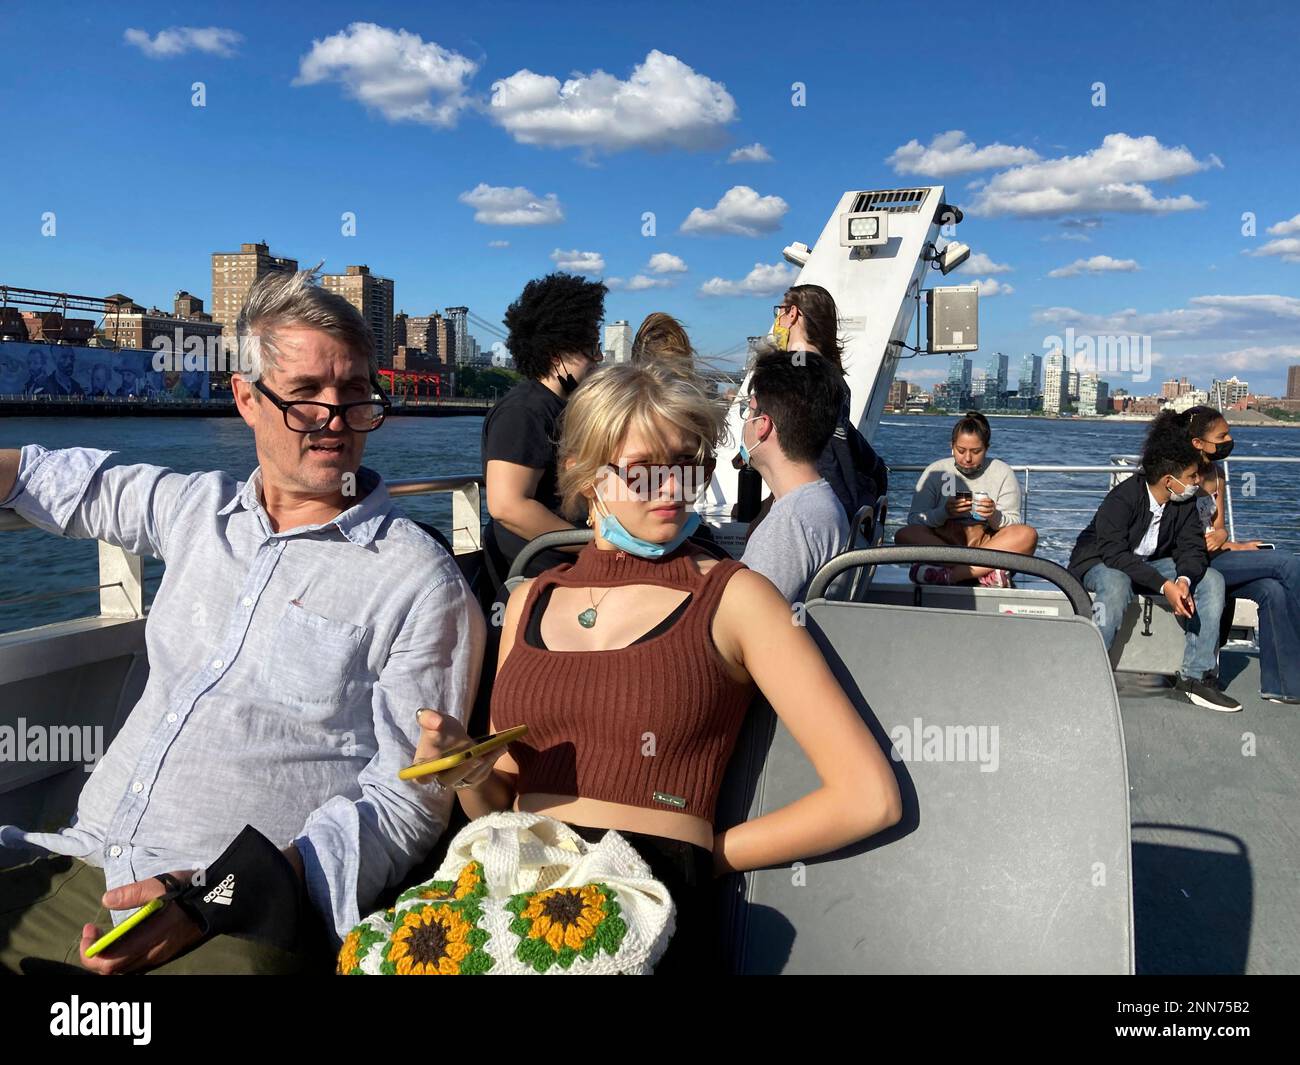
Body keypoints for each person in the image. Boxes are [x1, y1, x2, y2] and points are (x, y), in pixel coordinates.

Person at [0, 268, 485, 974]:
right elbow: (71, 481)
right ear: (247, 399)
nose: (336, 419)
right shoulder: (200, 511)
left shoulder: (418, 581)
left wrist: (215, 898)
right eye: (307, 395)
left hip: (226, 922)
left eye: (354, 393)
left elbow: (406, 806)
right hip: (80, 858)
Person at [413, 360, 902, 974]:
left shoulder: (734, 598)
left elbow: (867, 796)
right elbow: (499, 803)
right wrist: (467, 771)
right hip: (517, 886)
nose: (672, 491)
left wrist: (692, 855)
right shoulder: (529, 601)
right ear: (585, 474)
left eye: (688, 467)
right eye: (646, 474)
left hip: (645, 909)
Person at [1067, 426, 1238, 712]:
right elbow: (1114, 553)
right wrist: (1164, 586)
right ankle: (1086, 672)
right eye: (1190, 477)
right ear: (1169, 480)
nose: (1197, 482)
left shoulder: (1182, 503)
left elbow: (1192, 549)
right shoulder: (1123, 498)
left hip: (1149, 564)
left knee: (1211, 580)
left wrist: (1183, 580)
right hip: (1101, 561)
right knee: (1117, 582)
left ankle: (1196, 678)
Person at [480, 273, 607, 601]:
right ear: (555, 355)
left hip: (573, 565)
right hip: (542, 576)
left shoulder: (562, 409)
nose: (600, 358)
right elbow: (508, 505)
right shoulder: (525, 412)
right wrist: (597, 544)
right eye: (591, 348)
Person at [1174, 405, 1300, 704]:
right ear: (1198, 442)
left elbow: (1219, 531)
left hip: (1218, 557)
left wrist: (1235, 543)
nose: (1229, 439)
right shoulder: (1180, 475)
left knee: (1272, 590)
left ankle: (1283, 686)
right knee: (1288, 564)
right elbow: (1172, 536)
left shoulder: (1216, 476)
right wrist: (1212, 541)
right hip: (1190, 561)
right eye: (1223, 435)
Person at [738, 350, 850, 603]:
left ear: (763, 424)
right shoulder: (815, 503)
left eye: (749, 411)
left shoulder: (790, 522)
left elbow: (742, 622)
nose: (746, 421)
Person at [770, 284, 888, 520]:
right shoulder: (833, 374)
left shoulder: (794, 368)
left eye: (779, 311)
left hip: (802, 499)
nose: (777, 320)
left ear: (792, 313)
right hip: (835, 498)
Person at [895, 411, 1038, 587]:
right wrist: (944, 512)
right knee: (904, 534)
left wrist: (993, 515)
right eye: (961, 451)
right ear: (952, 446)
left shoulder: (1002, 472)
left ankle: (951, 575)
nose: (967, 458)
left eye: (976, 451)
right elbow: (914, 519)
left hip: (987, 543)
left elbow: (1014, 523)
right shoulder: (936, 471)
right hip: (946, 544)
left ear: (987, 448)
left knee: (1027, 535)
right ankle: (984, 572)